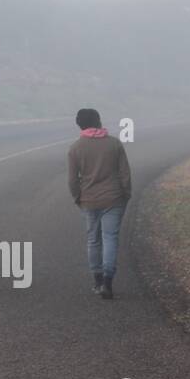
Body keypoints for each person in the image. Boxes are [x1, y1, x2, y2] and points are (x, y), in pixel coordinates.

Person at [67, 108, 131, 300]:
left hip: (89, 200)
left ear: (80, 125)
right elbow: (125, 174)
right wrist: (125, 194)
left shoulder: (76, 148)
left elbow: (72, 180)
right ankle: (108, 283)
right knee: (110, 238)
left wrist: (78, 197)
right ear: (98, 121)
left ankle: (97, 281)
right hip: (114, 199)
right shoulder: (114, 144)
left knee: (93, 240)